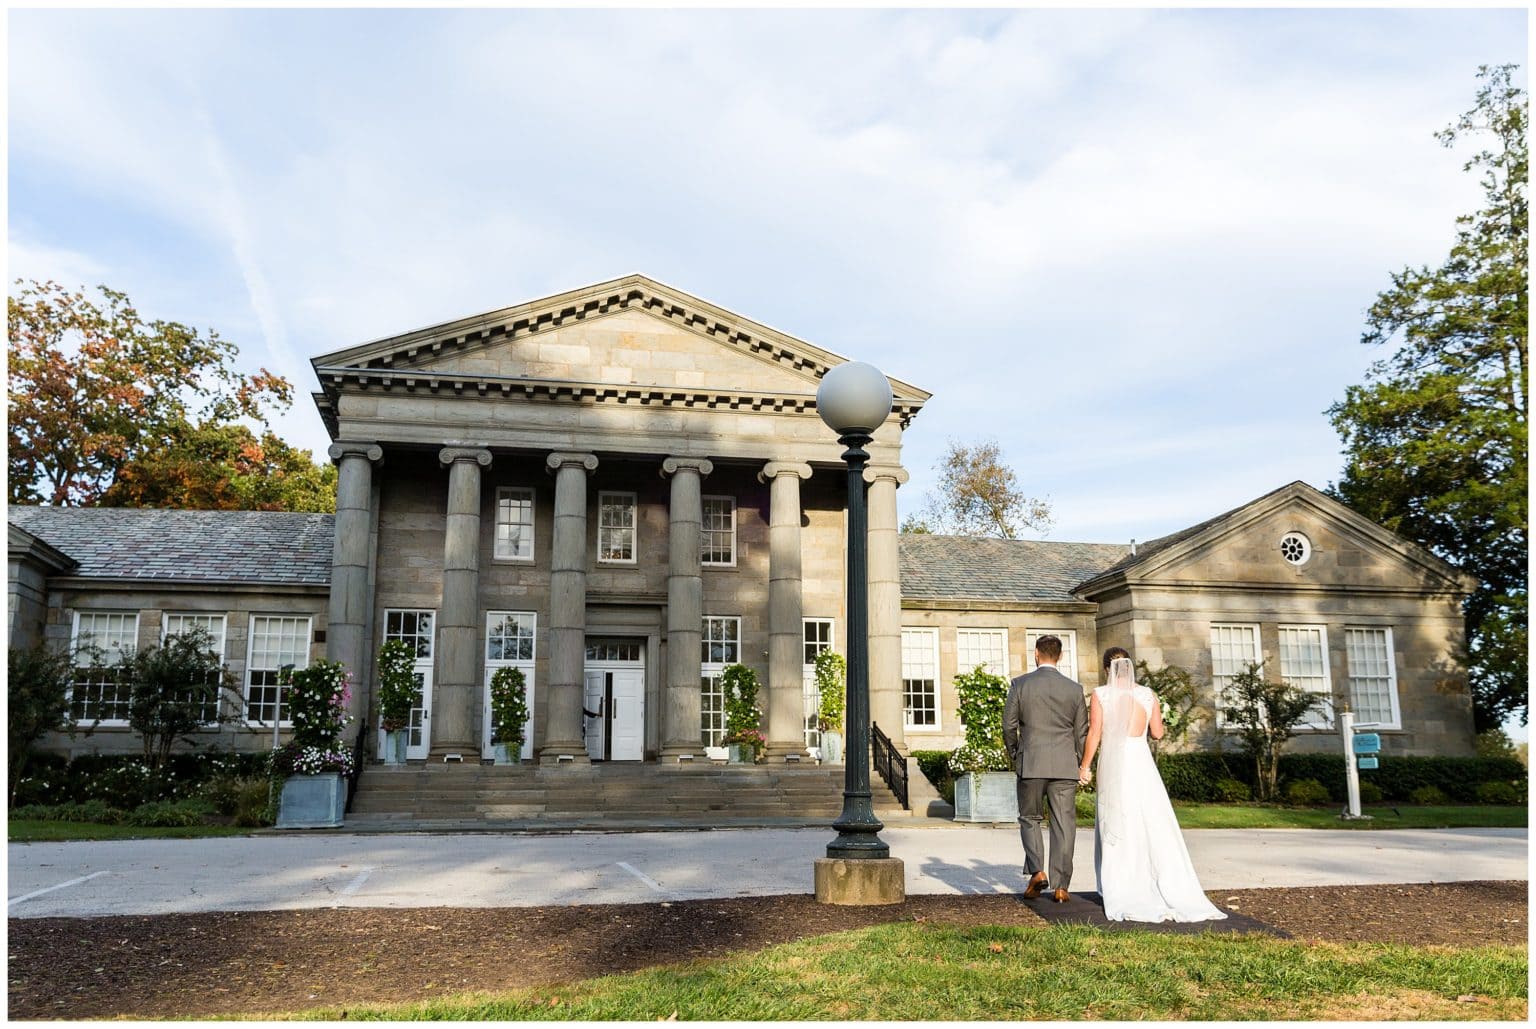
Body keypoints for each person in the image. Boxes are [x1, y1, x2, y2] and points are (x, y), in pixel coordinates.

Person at [1079, 647, 1227, 922]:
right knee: (1151, 820)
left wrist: (1085, 765)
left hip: (1115, 762)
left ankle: (1121, 884)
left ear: (1105, 669)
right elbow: (1157, 733)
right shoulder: (1148, 695)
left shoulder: (1102, 695)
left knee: (1119, 817)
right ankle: (1164, 881)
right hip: (1141, 762)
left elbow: (1095, 733)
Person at [1002, 634, 1088, 902]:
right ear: (1060, 656)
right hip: (1064, 765)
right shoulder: (1074, 689)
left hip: (1032, 763)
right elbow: (1081, 733)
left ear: (1036, 653)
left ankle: (1038, 872)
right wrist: (1082, 763)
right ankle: (1061, 886)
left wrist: (1016, 752)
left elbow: (1008, 726)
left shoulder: (1020, 685)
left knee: (1030, 818)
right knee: (1064, 825)